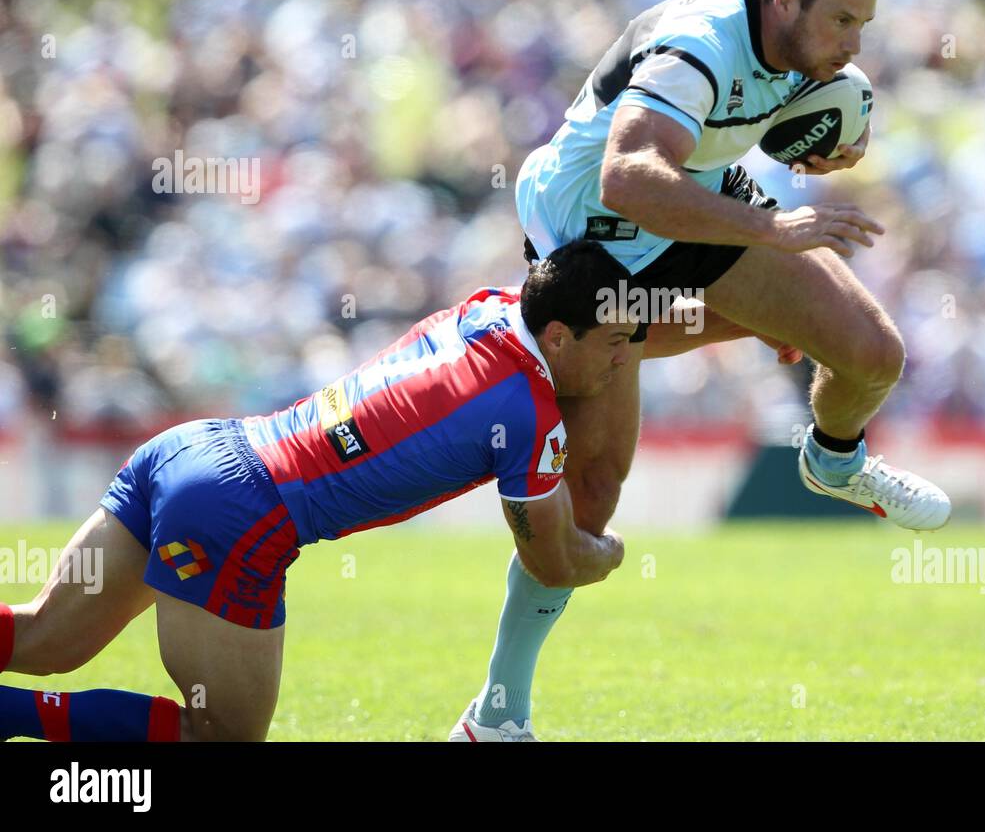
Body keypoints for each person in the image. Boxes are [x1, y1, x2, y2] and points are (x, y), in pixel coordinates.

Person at [451, 0, 951, 741]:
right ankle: (496, 714)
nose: (853, 45)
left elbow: (768, 129)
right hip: (592, 237)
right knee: (594, 497)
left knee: (872, 354)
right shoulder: (699, 47)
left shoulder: (803, 52)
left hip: (691, 207)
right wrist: (769, 230)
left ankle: (833, 459)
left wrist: (820, 147)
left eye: (863, 25)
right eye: (841, 22)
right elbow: (629, 173)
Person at [0, 240, 632, 741]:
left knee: (42, 639)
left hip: (190, 449)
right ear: (556, 336)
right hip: (241, 511)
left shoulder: (490, 304)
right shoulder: (529, 412)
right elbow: (550, 560)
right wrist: (610, 552)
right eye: (613, 344)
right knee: (222, 739)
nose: (622, 362)